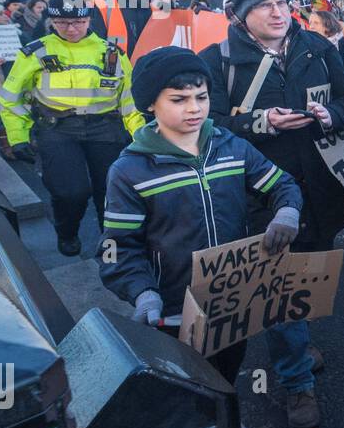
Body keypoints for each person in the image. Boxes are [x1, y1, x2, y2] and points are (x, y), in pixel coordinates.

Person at [199, 0, 344, 428]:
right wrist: (260, 123)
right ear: (238, 13)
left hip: (323, 186)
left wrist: (329, 113)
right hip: (261, 194)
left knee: (309, 273)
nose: (278, 12)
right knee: (275, 288)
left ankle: (300, 339)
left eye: (281, 3)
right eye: (265, 6)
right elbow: (204, 126)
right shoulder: (217, 61)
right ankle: (296, 384)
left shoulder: (315, 45)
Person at [99, 47, 303, 385]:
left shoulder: (232, 147)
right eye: (178, 99)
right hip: (176, 309)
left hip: (234, 299)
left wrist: (286, 213)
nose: (194, 108)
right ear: (151, 104)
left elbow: (282, 184)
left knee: (226, 377)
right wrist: (143, 293)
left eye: (202, 96)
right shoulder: (129, 170)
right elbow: (117, 247)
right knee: (188, 386)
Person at [0, 0, 145, 257]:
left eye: (78, 21)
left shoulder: (111, 52)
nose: (71, 28)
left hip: (105, 128)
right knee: (71, 193)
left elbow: (129, 101)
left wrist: (141, 137)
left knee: (110, 192)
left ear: (88, 19)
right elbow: (10, 98)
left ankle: (111, 245)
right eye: (62, 22)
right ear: (52, 21)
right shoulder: (36, 51)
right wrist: (17, 137)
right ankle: (67, 232)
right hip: (58, 130)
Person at [307, 6, 344, 90]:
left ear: (328, 25)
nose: (311, 27)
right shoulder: (306, 48)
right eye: (310, 23)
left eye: (316, 23)